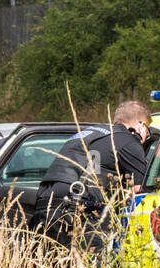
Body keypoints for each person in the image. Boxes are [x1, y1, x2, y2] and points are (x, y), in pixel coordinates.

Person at [31, 101, 152, 255]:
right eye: (147, 132)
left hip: (45, 203)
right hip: (79, 210)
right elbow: (140, 192)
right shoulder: (128, 140)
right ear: (141, 125)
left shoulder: (92, 133)